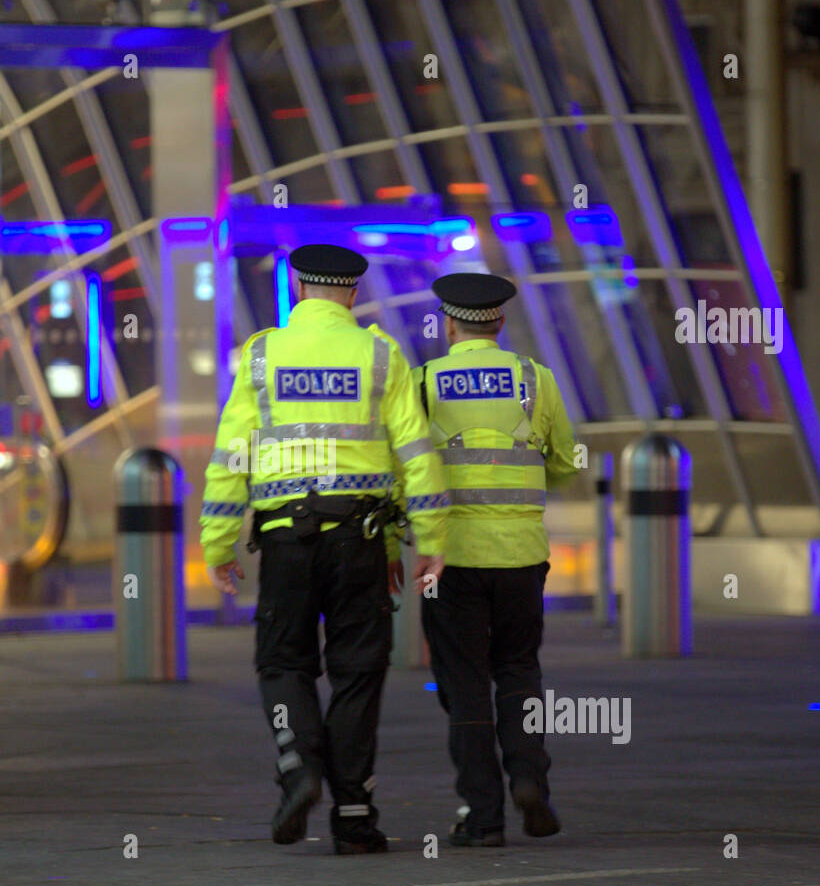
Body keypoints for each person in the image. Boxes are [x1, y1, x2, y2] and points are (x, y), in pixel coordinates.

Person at [200, 244, 448, 855]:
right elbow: (412, 457)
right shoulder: (380, 354)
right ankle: (355, 814)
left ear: (298, 291)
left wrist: (218, 540)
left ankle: (297, 765)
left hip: (286, 537)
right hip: (359, 537)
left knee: (282, 663)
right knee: (358, 672)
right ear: (353, 295)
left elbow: (233, 456)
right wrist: (422, 541)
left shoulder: (261, 355)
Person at [414, 272, 579, 847]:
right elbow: (564, 461)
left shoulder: (423, 383)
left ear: (449, 324)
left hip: (449, 561)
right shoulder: (535, 379)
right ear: (500, 323)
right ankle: (530, 780)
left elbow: (409, 467)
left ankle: (482, 816)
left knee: (464, 683)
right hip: (522, 556)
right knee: (518, 670)